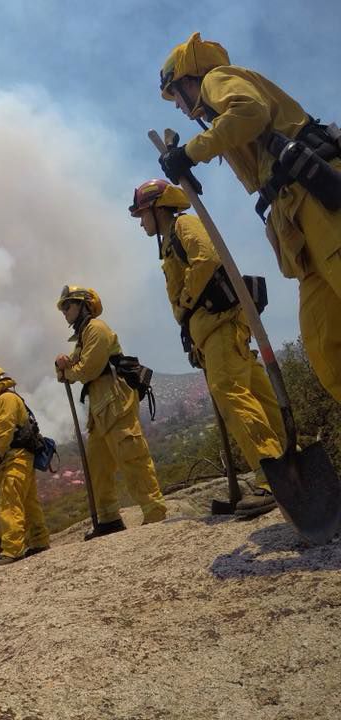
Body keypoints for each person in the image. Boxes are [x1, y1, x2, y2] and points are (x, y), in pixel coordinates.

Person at [157, 32, 341, 403]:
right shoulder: (214, 110)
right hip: (299, 218)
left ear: (188, 78)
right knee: (324, 346)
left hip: (319, 201)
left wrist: (190, 154)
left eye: (174, 94)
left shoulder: (216, 79)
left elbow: (249, 111)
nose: (176, 106)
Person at [130, 179, 287, 517]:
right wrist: (191, 334)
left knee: (229, 389)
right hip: (213, 330)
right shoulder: (169, 242)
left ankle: (271, 473)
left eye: (143, 214)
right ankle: (289, 458)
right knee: (256, 394)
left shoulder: (183, 224)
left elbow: (207, 260)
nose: (141, 222)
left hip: (221, 324)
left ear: (159, 209)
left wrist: (186, 305)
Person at [54, 286, 166, 537]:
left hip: (116, 401)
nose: (63, 312)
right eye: (62, 307)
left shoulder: (96, 329)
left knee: (131, 455)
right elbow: (68, 372)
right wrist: (62, 365)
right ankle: (109, 520)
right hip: (100, 409)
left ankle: (154, 512)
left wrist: (68, 370)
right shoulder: (83, 337)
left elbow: (86, 371)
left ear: (84, 305)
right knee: (98, 464)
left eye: (67, 306)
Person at [0, 365, 51, 566]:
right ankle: (40, 541)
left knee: (10, 503)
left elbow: (6, 432)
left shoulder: (5, 399)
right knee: (29, 503)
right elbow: (7, 434)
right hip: (23, 457)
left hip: (15, 459)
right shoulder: (11, 398)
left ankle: (12, 551)